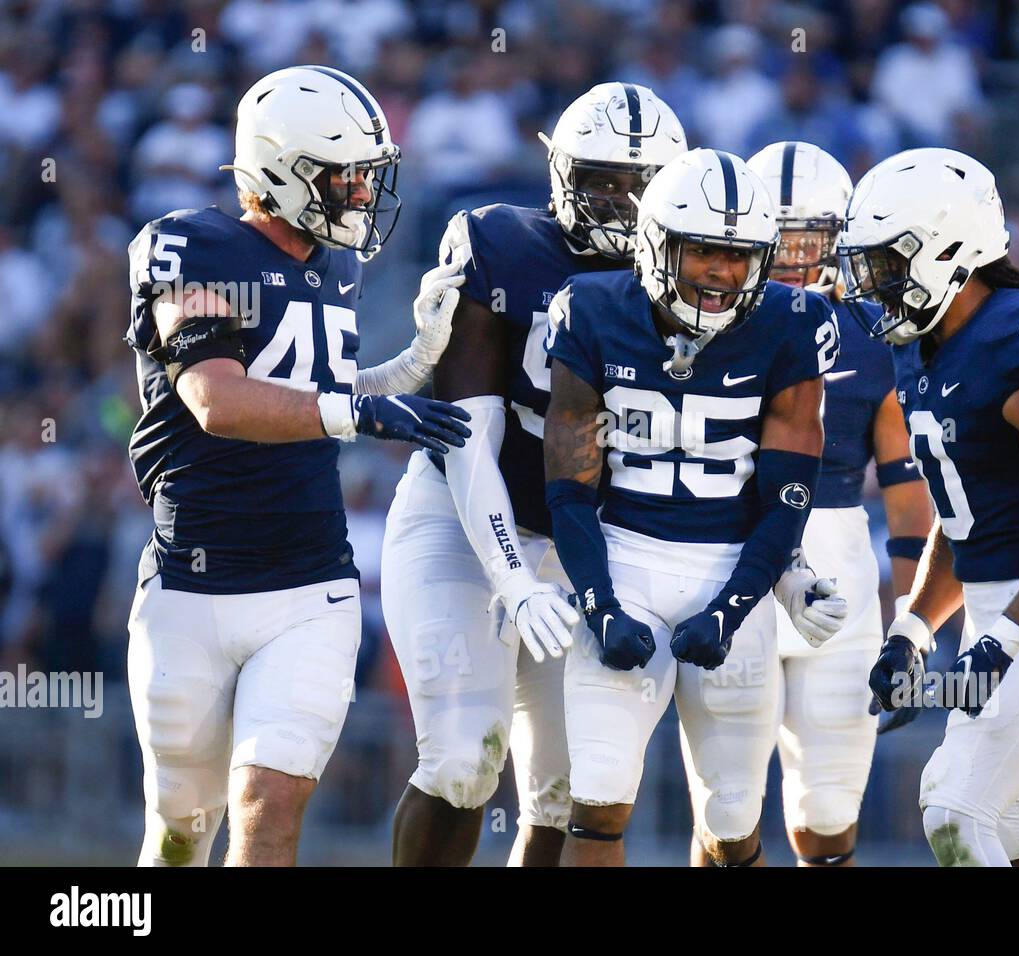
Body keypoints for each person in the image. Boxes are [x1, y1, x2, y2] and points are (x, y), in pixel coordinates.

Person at [125, 65, 471, 867]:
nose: (359, 192)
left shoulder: (335, 264)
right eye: (343, 175)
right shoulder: (192, 244)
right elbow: (217, 399)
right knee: (181, 828)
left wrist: (412, 364)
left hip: (309, 587)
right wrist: (360, 411)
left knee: (268, 805)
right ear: (282, 169)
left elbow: (323, 393)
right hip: (192, 581)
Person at [379, 83, 688, 866]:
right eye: (602, 179)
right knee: (461, 760)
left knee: (567, 788)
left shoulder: (691, 283)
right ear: (560, 172)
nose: (620, 202)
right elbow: (465, 436)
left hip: (591, 536)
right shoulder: (503, 244)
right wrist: (512, 577)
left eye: (640, 183)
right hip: (463, 514)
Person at [544, 147, 838, 866]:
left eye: (740, 256)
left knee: (733, 822)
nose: (723, 273)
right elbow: (570, 490)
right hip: (623, 556)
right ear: (654, 243)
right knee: (597, 797)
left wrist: (734, 606)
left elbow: (788, 500)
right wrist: (599, 603)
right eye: (704, 250)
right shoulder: (591, 309)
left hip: (729, 565)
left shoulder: (793, 323)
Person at [843, 147, 1019, 866]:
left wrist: (1004, 642)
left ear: (950, 252)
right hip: (999, 610)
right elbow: (961, 511)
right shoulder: (924, 347)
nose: (873, 284)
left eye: (888, 263)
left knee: (952, 809)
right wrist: (911, 627)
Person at [680, 141, 932, 867]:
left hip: (840, 572)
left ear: (840, 239)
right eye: (779, 239)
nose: (792, 258)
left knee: (826, 816)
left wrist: (909, 625)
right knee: (725, 820)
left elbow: (909, 497)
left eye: (809, 240)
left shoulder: (876, 337)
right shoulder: (706, 328)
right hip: (731, 561)